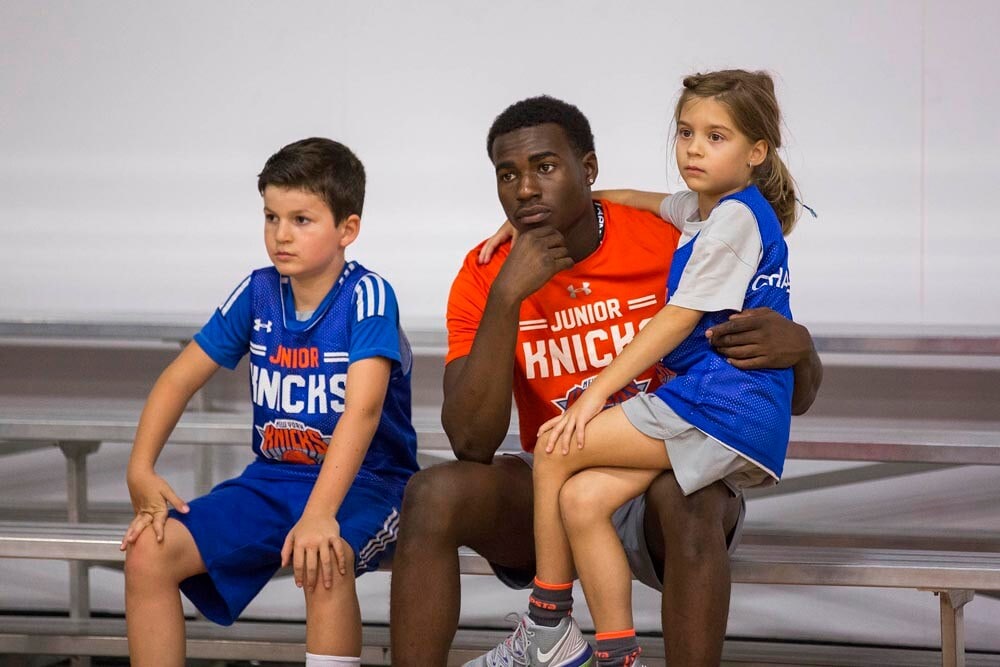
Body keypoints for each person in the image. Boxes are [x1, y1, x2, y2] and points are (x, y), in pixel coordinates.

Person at [389, 96, 822, 666]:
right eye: (508, 175)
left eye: (545, 168)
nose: (524, 189)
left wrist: (804, 351)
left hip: (662, 484)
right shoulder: (486, 270)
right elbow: (472, 441)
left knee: (688, 495)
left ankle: (588, 641)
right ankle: (559, 638)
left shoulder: (676, 237)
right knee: (434, 492)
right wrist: (506, 298)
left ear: (587, 171)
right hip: (557, 490)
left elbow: (788, 398)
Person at [493, 69, 799, 667]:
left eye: (717, 137)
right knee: (581, 500)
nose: (693, 148)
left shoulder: (735, 219)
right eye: (686, 132)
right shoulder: (707, 208)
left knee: (557, 446)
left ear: (756, 152)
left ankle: (548, 623)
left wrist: (591, 397)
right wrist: (542, 212)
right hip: (730, 408)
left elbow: (675, 320)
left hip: (721, 404)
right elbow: (639, 199)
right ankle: (616, 653)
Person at [120, 138, 418, 667]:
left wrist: (321, 514)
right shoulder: (256, 292)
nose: (281, 234)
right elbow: (176, 380)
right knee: (149, 551)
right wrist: (140, 469)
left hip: (367, 482)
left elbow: (363, 411)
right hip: (273, 479)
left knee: (322, 555)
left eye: (302, 219)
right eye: (271, 217)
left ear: (347, 229)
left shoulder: (368, 296)